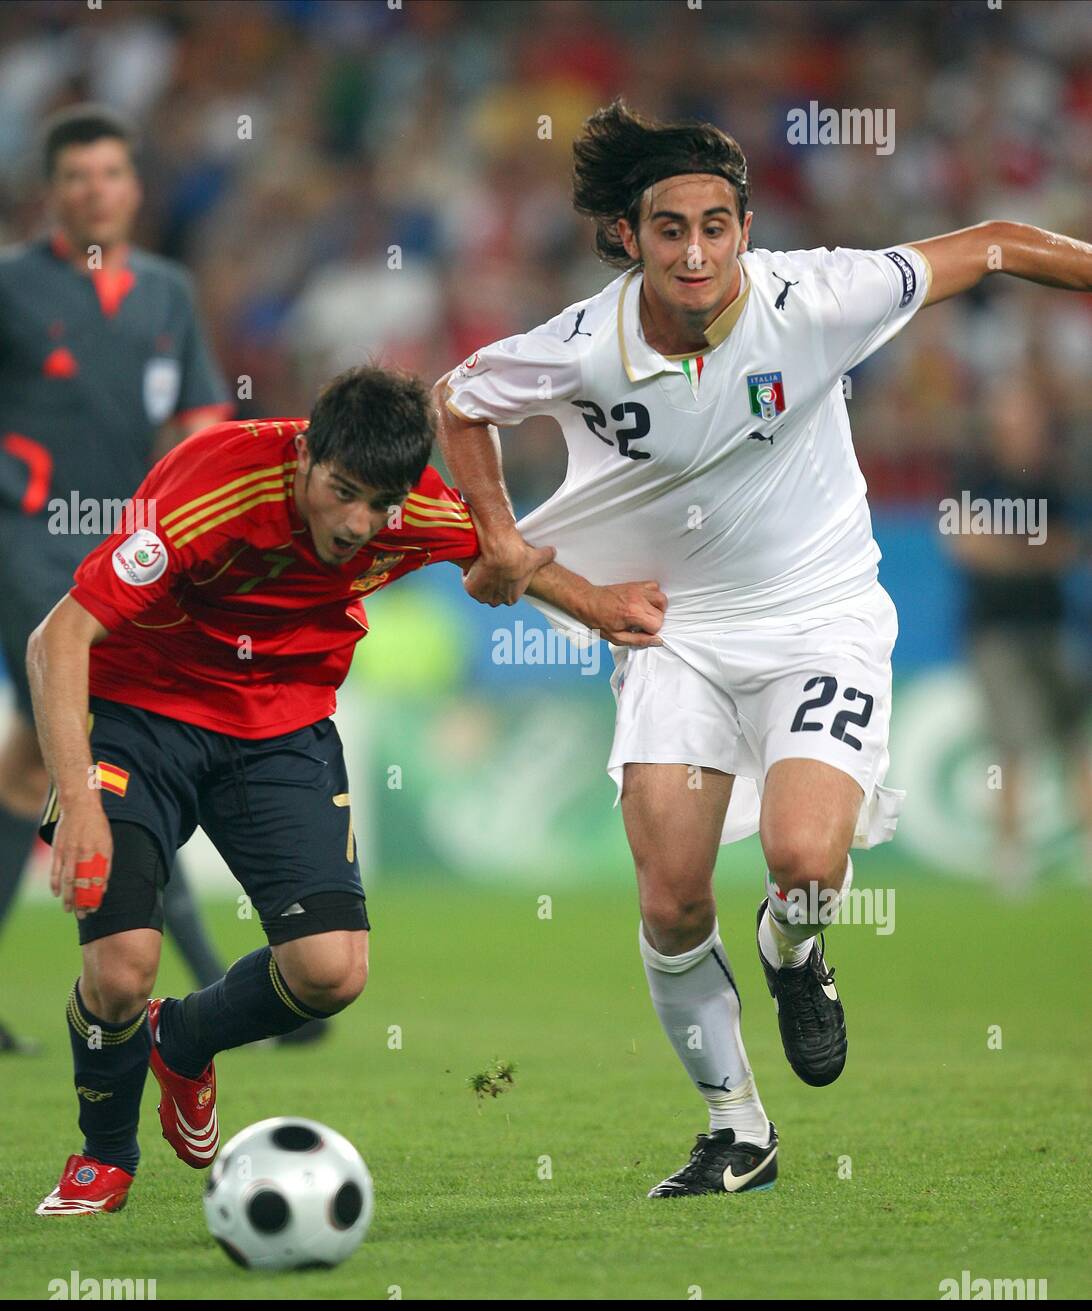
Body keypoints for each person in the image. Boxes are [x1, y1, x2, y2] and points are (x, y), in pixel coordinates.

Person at [435, 98, 1092, 1197]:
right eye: (670, 229)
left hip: (819, 614)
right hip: (673, 634)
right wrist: (506, 540)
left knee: (802, 858)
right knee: (671, 899)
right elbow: (458, 400)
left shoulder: (816, 298)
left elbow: (994, 245)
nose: (696, 252)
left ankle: (795, 949)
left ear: (746, 229)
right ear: (629, 238)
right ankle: (737, 1125)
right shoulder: (583, 345)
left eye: (717, 226)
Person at [30, 364, 665, 1214]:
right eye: (344, 493)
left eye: (382, 504)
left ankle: (181, 1042)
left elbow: (499, 554)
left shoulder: (418, 506)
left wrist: (601, 607)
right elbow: (58, 636)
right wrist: (77, 802)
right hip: (139, 714)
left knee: (330, 973)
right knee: (120, 972)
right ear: (305, 459)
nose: (359, 524)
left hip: (281, 725)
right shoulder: (211, 485)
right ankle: (103, 1155)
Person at [0, 105, 232, 1052]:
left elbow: (200, 419)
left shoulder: (167, 291)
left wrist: (207, 524)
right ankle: (215, 978)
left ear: (135, 188)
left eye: (111, 173)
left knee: (26, 772)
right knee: (99, 742)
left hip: (125, 558)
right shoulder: (13, 288)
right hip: (27, 548)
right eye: (77, 175)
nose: (96, 189)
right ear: (52, 191)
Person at [950, 377, 1091, 894]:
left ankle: (1085, 848)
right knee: (1011, 745)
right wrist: (1032, 552)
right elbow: (967, 546)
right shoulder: (977, 475)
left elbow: (1069, 545)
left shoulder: (1053, 477)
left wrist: (1005, 551)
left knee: (1076, 738)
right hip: (996, 631)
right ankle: (1011, 854)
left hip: (1052, 624)